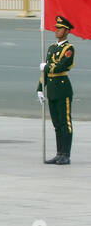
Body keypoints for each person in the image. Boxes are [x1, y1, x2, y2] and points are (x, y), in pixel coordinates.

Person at [39, 15, 75, 164]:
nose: (57, 30)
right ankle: (59, 153)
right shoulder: (52, 48)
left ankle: (66, 154)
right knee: (57, 124)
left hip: (62, 88)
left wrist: (46, 66)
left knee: (65, 122)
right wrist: (40, 88)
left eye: (60, 28)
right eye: (56, 28)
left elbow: (61, 66)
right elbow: (45, 72)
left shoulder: (69, 49)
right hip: (52, 89)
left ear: (66, 31)